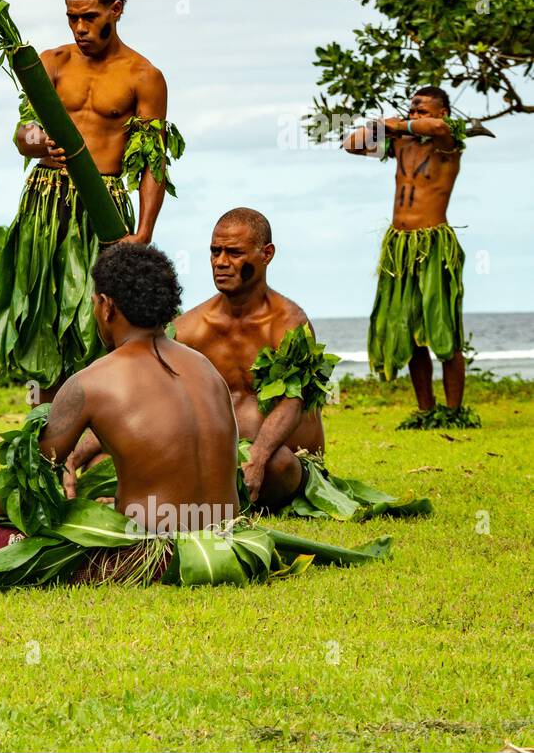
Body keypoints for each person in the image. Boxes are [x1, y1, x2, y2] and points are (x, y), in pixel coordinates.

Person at [0, 245, 396, 593]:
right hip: (237, 544)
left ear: (107, 305)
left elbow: (24, 478)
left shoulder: (92, 379)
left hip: (161, 559)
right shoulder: (206, 369)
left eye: (94, 303)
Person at [0, 0, 184, 397]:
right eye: (72, 18)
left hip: (103, 204)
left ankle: (103, 419)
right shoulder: (51, 62)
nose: (80, 28)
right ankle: (43, 432)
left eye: (90, 17)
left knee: (102, 320)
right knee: (42, 319)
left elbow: (153, 160)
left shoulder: (143, 76)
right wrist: (37, 141)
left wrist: (144, 233)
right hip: (46, 201)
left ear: (115, 11)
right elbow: (23, 133)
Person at [172, 209, 431, 520]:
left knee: (276, 463)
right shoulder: (189, 328)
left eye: (234, 252)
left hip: (287, 462)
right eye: (215, 251)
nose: (221, 262)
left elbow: (293, 400)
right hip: (220, 458)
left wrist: (256, 457)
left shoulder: (289, 323)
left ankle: (230, 492)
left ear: (266, 254)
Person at [343, 86, 478, 429]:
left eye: (423, 110)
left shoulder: (449, 143)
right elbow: (351, 144)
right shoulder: (400, 143)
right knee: (410, 331)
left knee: (443, 328)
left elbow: (437, 130)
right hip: (399, 246)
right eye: (412, 110)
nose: (415, 116)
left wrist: (399, 124)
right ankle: (426, 410)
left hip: (434, 244)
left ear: (443, 112)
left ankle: (454, 411)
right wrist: (383, 125)